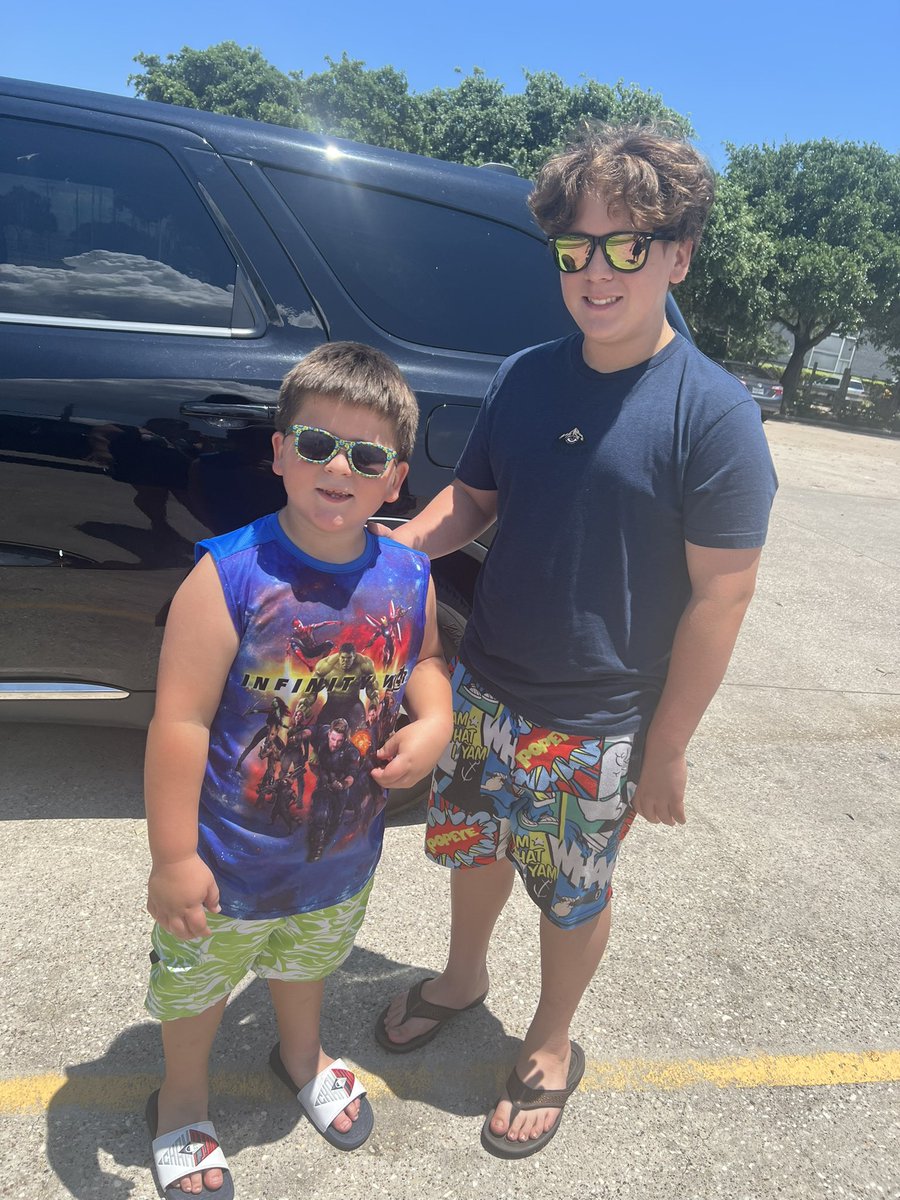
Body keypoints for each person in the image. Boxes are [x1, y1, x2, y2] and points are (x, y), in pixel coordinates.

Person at [375, 123, 778, 1159]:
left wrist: (668, 747)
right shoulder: (527, 374)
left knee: (569, 891)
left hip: (596, 719)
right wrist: (393, 554)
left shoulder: (714, 415)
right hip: (485, 685)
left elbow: (721, 597)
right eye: (576, 247)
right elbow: (473, 500)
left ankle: (552, 1039)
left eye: (627, 244)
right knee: (472, 848)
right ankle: (463, 978)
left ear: (678, 256)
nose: (597, 270)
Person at [143, 342, 452, 1196]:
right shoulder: (228, 574)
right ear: (280, 452)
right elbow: (178, 722)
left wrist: (436, 719)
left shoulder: (410, 574)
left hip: (340, 858)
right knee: (197, 991)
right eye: (317, 445)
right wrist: (173, 858)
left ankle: (302, 1055)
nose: (338, 469)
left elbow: (426, 661)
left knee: (307, 963)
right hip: (225, 869)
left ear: (395, 482)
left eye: (367, 457)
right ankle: (181, 1097)